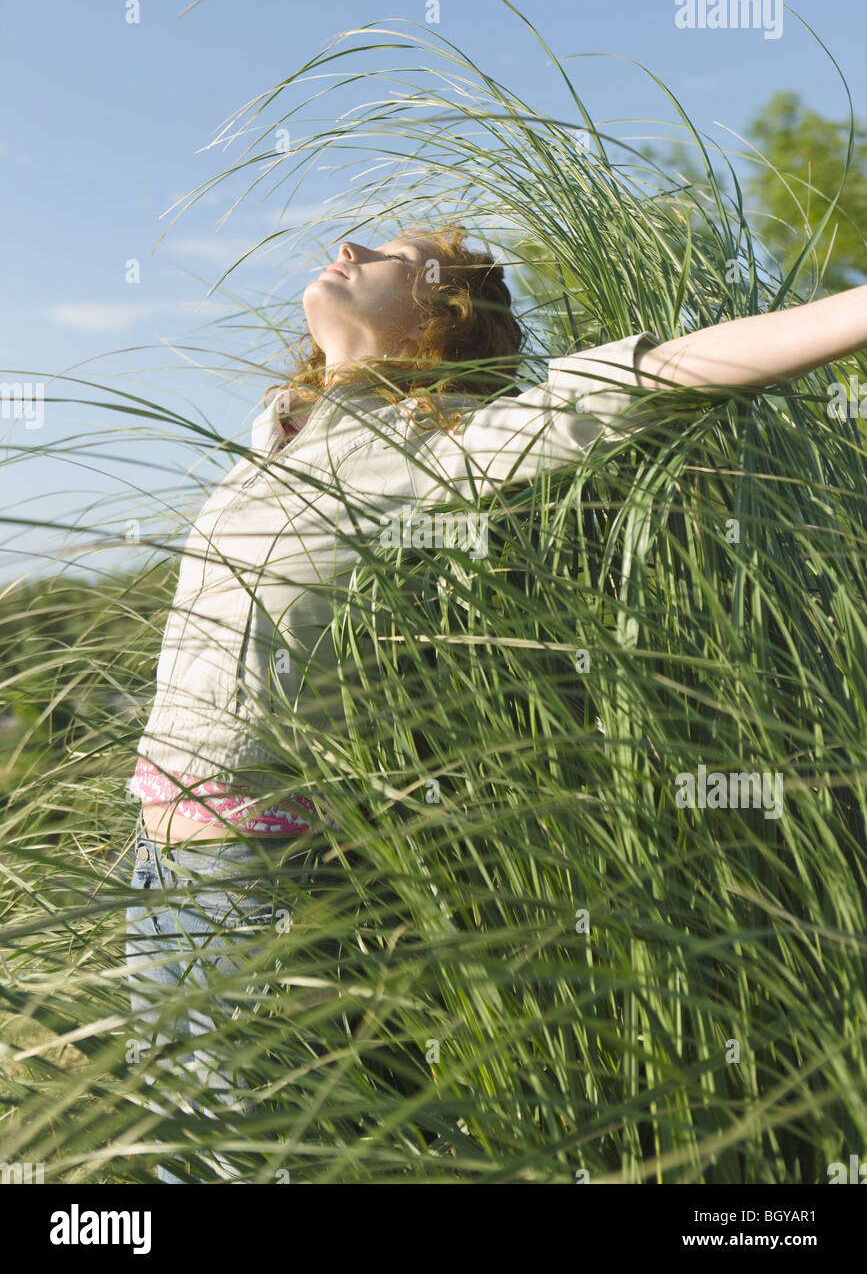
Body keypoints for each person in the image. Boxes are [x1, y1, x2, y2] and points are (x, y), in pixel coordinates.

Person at [125, 222, 867, 1181]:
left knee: (243, 1163)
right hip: (153, 859)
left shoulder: (447, 446)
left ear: (444, 311)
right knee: (182, 1145)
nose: (345, 246)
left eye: (387, 254)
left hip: (248, 868)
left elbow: (665, 374)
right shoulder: (277, 432)